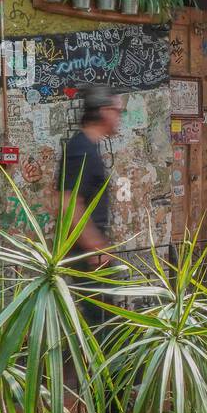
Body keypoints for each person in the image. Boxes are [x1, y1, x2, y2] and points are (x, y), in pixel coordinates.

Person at [59, 86, 124, 323]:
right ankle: (100, 360)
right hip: (87, 253)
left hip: (91, 251)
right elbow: (67, 203)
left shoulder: (86, 146)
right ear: (104, 111)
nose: (119, 117)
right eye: (118, 111)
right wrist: (95, 246)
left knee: (104, 318)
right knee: (103, 321)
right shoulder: (80, 149)